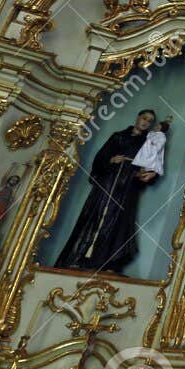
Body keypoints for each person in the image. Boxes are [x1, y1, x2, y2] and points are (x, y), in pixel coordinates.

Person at [54, 109, 156, 273]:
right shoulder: (118, 137)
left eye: (150, 121)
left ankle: (106, 263)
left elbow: (152, 166)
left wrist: (149, 175)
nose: (146, 122)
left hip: (126, 188)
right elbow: (100, 159)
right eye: (144, 118)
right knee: (96, 216)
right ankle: (79, 258)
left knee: (117, 223)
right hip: (108, 183)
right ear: (138, 117)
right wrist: (112, 159)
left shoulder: (148, 143)